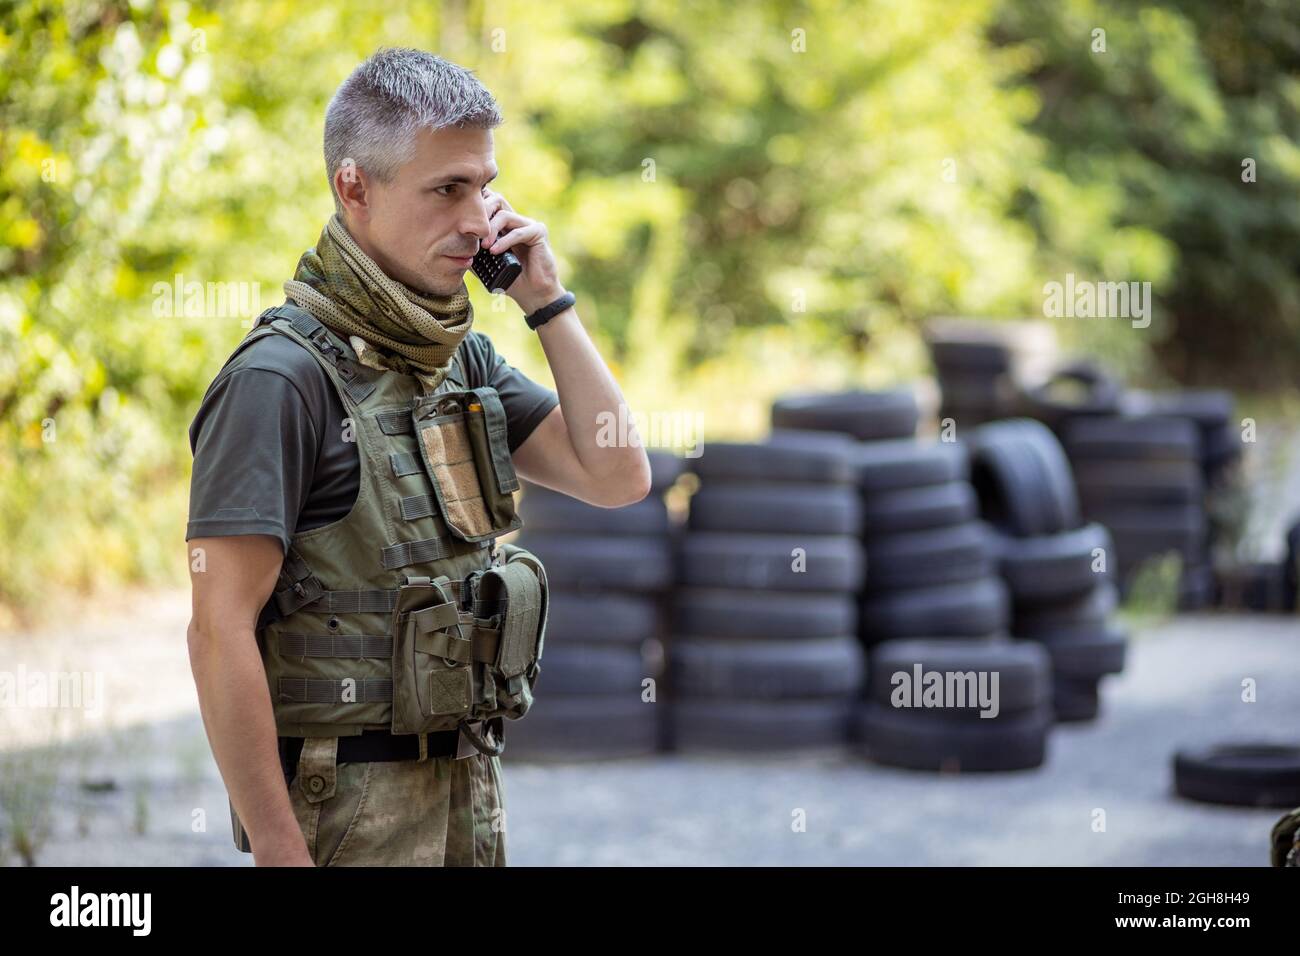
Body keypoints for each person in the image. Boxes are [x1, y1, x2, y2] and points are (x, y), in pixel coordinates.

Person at [185, 47, 651, 867]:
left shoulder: (456, 362)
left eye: (483, 186)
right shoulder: (281, 381)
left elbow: (617, 475)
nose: (477, 220)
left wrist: (548, 301)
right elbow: (217, 632)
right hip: (343, 811)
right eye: (446, 189)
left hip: (465, 792)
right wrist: (279, 853)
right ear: (354, 187)